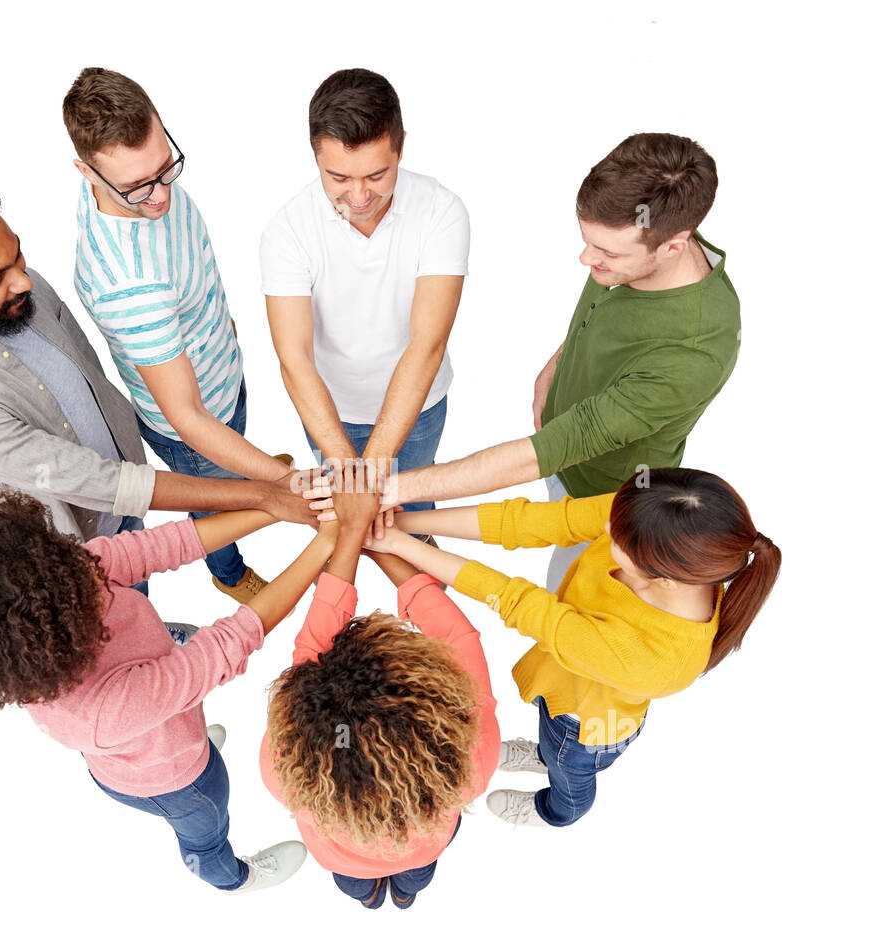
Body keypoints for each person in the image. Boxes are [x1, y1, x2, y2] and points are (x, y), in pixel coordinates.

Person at [357, 133, 740, 590]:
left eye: (607, 253)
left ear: (675, 245)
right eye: (587, 241)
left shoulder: (692, 352)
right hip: (560, 450)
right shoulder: (648, 235)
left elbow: (545, 453)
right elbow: (613, 316)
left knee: (567, 597)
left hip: (606, 493)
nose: (586, 259)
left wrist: (388, 488)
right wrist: (557, 366)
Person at [0, 489, 342, 893]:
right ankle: (232, 877)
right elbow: (229, 643)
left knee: (177, 723)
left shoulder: (60, 577)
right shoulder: (101, 709)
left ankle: (182, 739)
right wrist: (326, 548)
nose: (88, 568)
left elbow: (163, 545)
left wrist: (276, 508)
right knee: (208, 824)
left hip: (149, 736)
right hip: (176, 781)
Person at [0, 177, 312, 566]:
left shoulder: (20, 289)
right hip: (80, 545)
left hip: (133, 492)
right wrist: (266, 495)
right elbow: (105, 483)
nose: (22, 281)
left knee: (141, 585)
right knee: (123, 617)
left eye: (17, 255)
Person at [357, 467, 780, 828]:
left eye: (616, 537)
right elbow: (533, 522)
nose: (606, 526)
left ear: (664, 579)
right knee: (549, 737)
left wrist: (398, 545)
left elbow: (517, 600)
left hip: (587, 727)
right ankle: (542, 754)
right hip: (567, 685)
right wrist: (406, 525)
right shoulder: (650, 519)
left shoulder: (652, 659)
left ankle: (554, 812)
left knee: (570, 774)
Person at [65, 67, 295, 605]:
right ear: (86, 172)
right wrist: (278, 486)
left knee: (239, 471)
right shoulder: (129, 284)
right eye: (137, 188)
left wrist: (224, 329)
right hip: (196, 425)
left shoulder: (144, 179)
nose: (160, 195)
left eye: (165, 168)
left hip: (221, 373)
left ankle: (249, 473)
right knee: (219, 505)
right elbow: (188, 416)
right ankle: (229, 572)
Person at [261, 466, 498, 907]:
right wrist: (374, 541)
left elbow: (309, 650)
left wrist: (354, 535)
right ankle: (405, 896)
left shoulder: (284, 761)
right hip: (426, 845)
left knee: (355, 886)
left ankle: (368, 898)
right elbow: (458, 639)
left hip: (340, 858)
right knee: (417, 877)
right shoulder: (472, 755)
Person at [261, 67, 470, 525]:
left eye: (377, 174)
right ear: (315, 157)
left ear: (401, 146)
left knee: (413, 513)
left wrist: (371, 467)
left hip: (419, 407)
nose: (358, 196)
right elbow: (293, 357)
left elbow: (427, 343)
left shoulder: (442, 212)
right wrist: (344, 461)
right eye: (337, 178)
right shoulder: (287, 230)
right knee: (340, 523)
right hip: (329, 409)